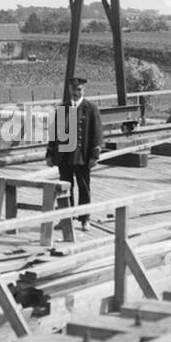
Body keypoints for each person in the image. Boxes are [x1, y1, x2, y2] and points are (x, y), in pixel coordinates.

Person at [47, 75, 103, 230]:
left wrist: (94, 156)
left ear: (83, 90)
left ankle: (85, 219)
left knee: (83, 187)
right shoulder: (62, 109)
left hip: (82, 156)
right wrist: (50, 154)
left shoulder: (91, 109)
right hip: (64, 156)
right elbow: (54, 133)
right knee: (65, 188)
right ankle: (66, 219)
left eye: (78, 90)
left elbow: (97, 134)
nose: (75, 92)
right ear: (69, 90)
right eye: (73, 89)